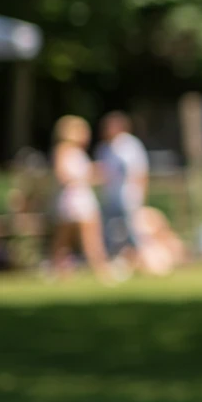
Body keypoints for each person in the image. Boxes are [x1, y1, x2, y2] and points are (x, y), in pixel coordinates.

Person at [50, 115, 111, 282]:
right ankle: (101, 270)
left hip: (78, 198)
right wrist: (87, 176)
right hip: (75, 199)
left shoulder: (77, 152)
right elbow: (63, 175)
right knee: (89, 238)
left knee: (65, 240)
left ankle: (58, 269)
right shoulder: (63, 150)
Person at [95, 111, 149, 265]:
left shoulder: (130, 145)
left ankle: (145, 260)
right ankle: (114, 260)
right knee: (112, 231)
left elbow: (140, 172)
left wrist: (140, 196)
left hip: (129, 197)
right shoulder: (104, 148)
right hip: (110, 197)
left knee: (134, 231)